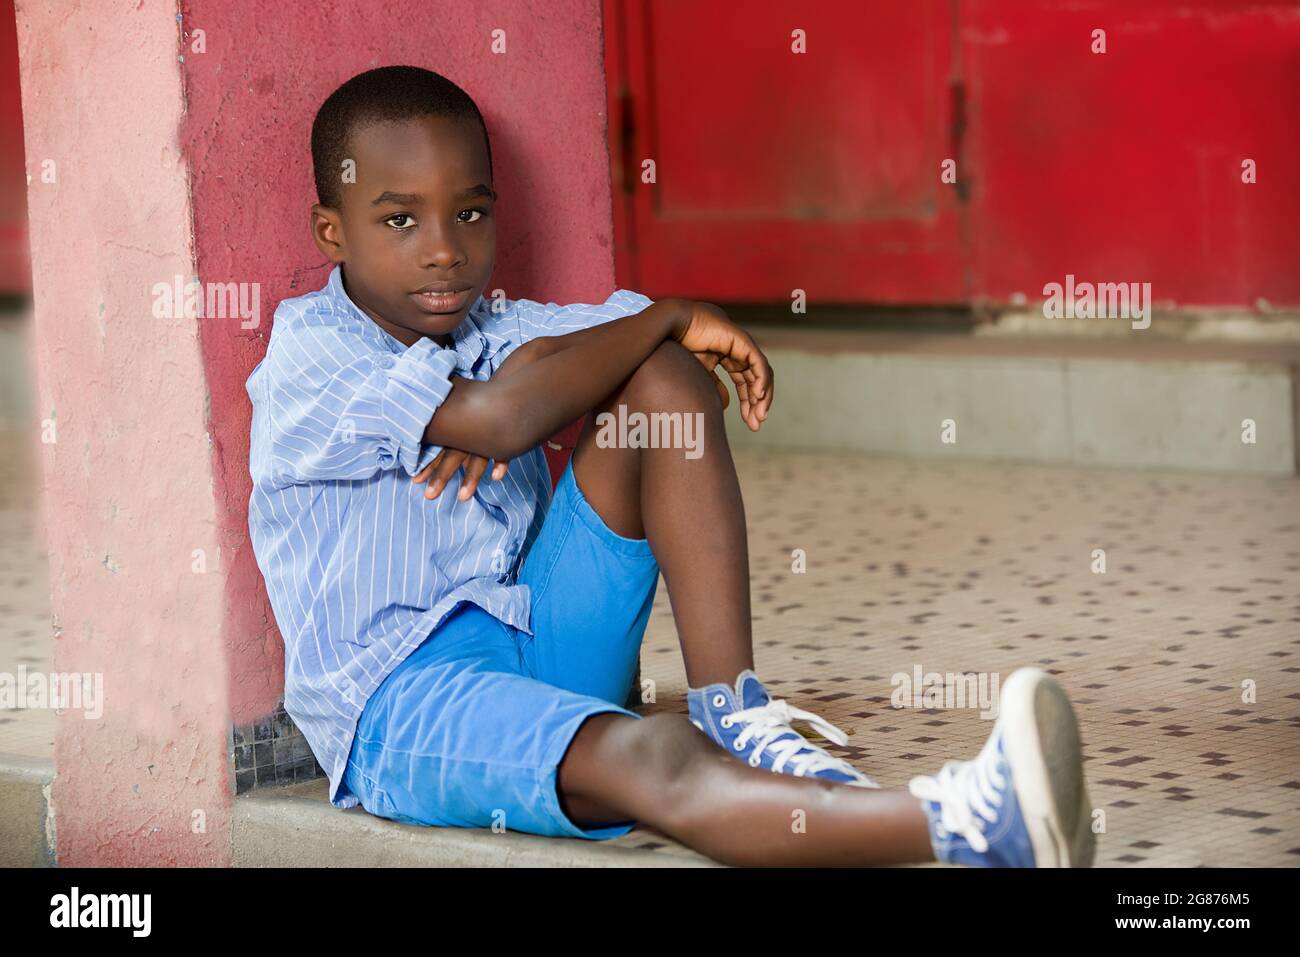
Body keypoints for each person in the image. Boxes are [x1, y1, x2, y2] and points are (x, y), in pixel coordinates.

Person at [244, 65, 1095, 867]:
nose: (444, 251)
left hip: (537, 628)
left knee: (657, 374)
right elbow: (504, 420)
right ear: (333, 232)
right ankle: (970, 822)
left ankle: (737, 711)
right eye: (401, 220)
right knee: (655, 750)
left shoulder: (478, 328)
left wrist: (660, 331)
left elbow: (630, 358)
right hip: (407, 700)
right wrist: (665, 317)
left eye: (470, 214)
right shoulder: (311, 354)